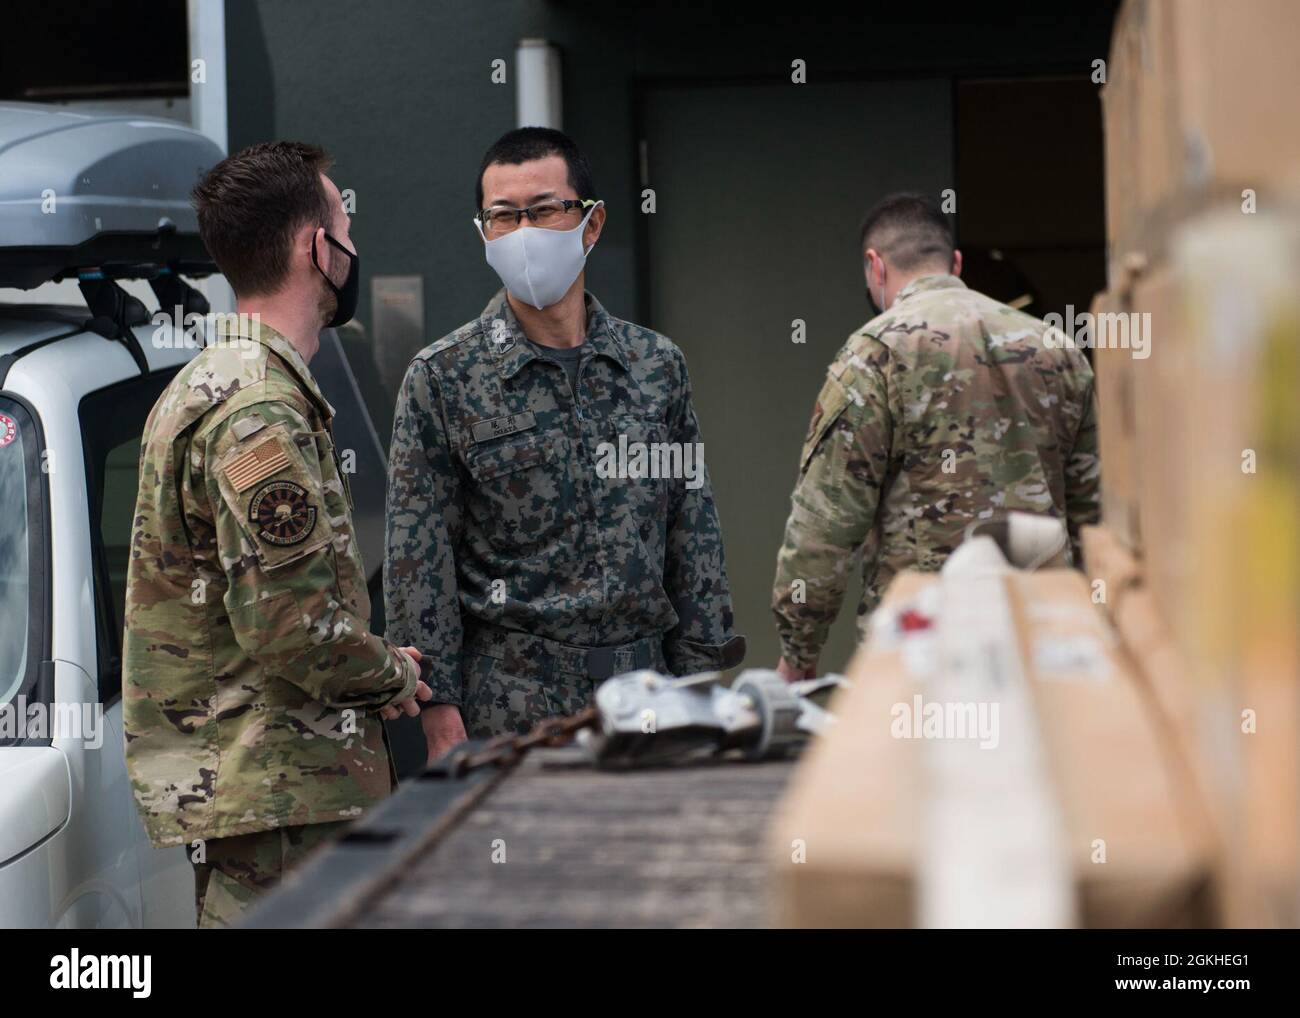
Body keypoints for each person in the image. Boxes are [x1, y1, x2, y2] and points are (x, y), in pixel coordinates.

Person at [122, 141, 430, 927]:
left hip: (267, 795)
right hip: (287, 795)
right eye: (346, 228)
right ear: (315, 248)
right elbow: (292, 624)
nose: (355, 250)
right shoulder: (258, 408)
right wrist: (392, 675)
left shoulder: (213, 380)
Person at [385, 127, 744, 760]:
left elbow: (694, 531)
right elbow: (420, 559)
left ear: (592, 222)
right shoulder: (443, 377)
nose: (524, 231)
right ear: (484, 234)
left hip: (649, 692)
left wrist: (703, 682)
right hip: (513, 707)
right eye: (503, 216)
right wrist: (440, 715)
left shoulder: (655, 365)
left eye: (546, 209)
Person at [771, 192, 1100, 679]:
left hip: (924, 641)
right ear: (957, 262)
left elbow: (825, 526)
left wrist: (799, 655)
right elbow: (1092, 508)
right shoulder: (1058, 347)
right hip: (1042, 635)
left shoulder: (875, 353)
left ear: (874, 265)